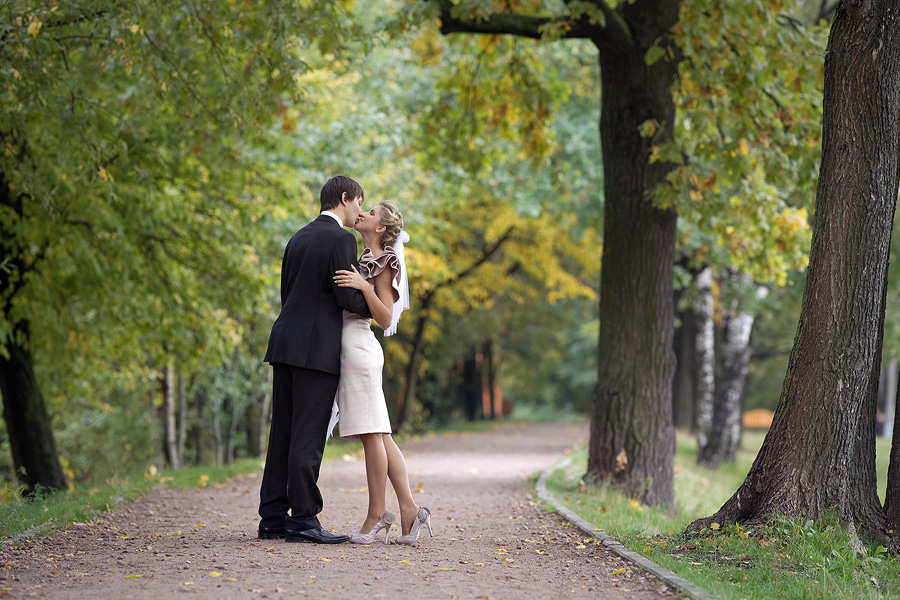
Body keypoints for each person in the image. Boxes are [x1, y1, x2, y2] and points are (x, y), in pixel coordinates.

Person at [258, 176, 373, 544]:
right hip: (316, 349)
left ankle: (273, 519)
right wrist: (369, 293)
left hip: (285, 342)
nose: (360, 210)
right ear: (344, 198)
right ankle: (304, 519)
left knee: (283, 433)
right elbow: (346, 299)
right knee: (307, 436)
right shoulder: (341, 239)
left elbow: (289, 293)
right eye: (359, 202)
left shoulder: (298, 237)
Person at [332, 200, 433, 546]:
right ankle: (410, 510)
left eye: (371, 212)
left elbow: (386, 317)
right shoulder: (361, 257)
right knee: (380, 435)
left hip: (361, 346)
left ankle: (377, 514)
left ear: (379, 229)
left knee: (371, 434)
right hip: (354, 348)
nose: (363, 213)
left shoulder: (384, 261)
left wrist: (363, 286)